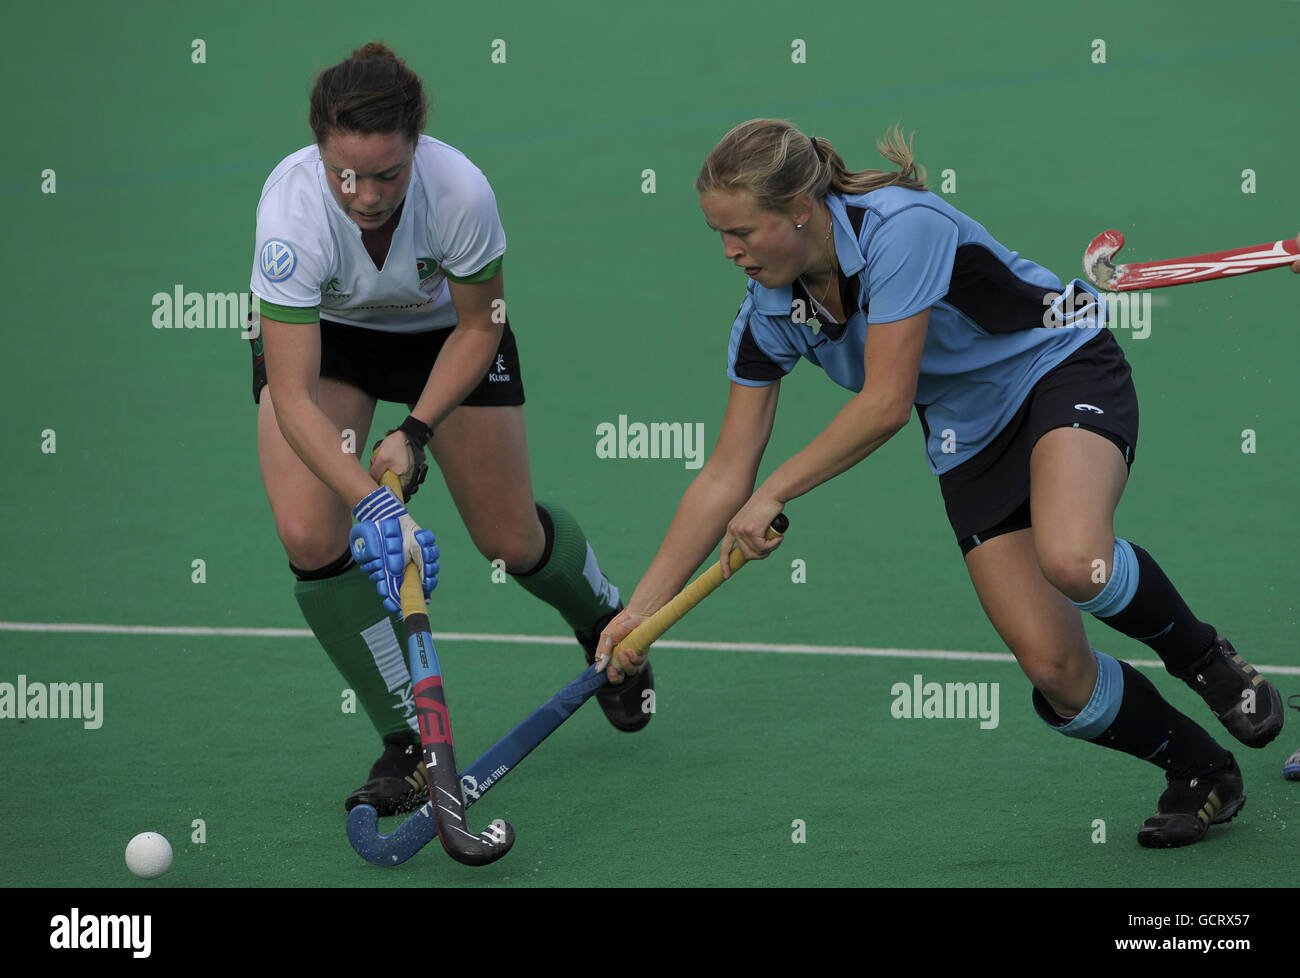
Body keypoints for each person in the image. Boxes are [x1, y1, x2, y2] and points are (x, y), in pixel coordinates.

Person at [594, 118, 1288, 847]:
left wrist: (778, 490)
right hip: (968, 436)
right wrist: (643, 608)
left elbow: (887, 403)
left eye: (743, 231)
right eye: (719, 236)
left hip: (1057, 365)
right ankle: (1201, 771)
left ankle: (1206, 660)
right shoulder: (767, 312)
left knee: (1073, 556)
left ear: (801, 207)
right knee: (1056, 671)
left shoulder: (902, 228)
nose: (731, 252)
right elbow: (724, 473)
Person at [248, 43, 651, 816]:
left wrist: (418, 431)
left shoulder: (459, 192)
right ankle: (407, 742)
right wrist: (373, 505)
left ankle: (601, 614)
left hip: (446, 339)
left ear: (416, 148)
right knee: (308, 533)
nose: (365, 195)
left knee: (509, 538)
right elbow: (292, 395)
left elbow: (480, 326)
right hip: (330, 343)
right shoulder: (289, 214)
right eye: (345, 174)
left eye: (386, 175)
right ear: (318, 151)